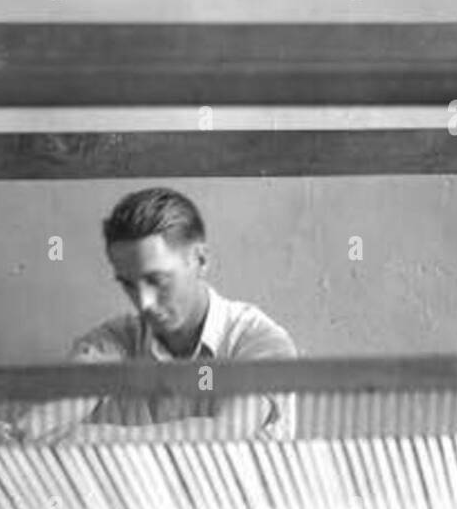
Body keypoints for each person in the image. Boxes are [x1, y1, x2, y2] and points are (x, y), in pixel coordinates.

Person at [15, 187, 298, 442]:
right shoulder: (115, 339)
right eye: (129, 284)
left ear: (201, 260)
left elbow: (226, 432)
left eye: (157, 280)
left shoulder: (261, 342)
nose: (143, 302)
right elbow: (64, 406)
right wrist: (28, 431)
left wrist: (92, 438)